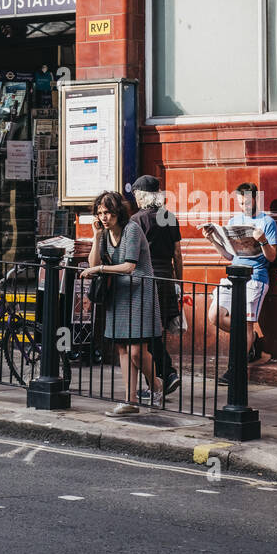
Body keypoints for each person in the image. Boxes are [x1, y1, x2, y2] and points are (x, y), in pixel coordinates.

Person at [79, 190, 163, 416]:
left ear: (118, 211)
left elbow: (129, 266)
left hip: (139, 292)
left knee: (137, 351)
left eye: (108, 212)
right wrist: (96, 237)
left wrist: (100, 269)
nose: (104, 217)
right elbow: (92, 261)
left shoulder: (132, 230)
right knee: (122, 348)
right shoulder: (105, 235)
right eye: (100, 213)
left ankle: (156, 384)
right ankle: (130, 400)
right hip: (118, 293)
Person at [204, 181, 277, 381]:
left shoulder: (267, 222)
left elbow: (271, 257)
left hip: (255, 276)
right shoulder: (234, 220)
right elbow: (229, 256)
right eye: (239, 202)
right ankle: (251, 340)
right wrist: (213, 240)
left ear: (255, 199)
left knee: (245, 324)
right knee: (214, 315)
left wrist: (261, 240)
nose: (243, 205)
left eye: (245, 201)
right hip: (234, 276)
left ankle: (236, 369)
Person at [129, 175, 183, 396]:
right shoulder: (169, 217)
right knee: (155, 330)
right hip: (167, 279)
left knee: (143, 333)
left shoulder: (135, 220)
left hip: (146, 279)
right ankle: (158, 380)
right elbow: (178, 254)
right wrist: (179, 282)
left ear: (141, 196)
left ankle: (165, 374)